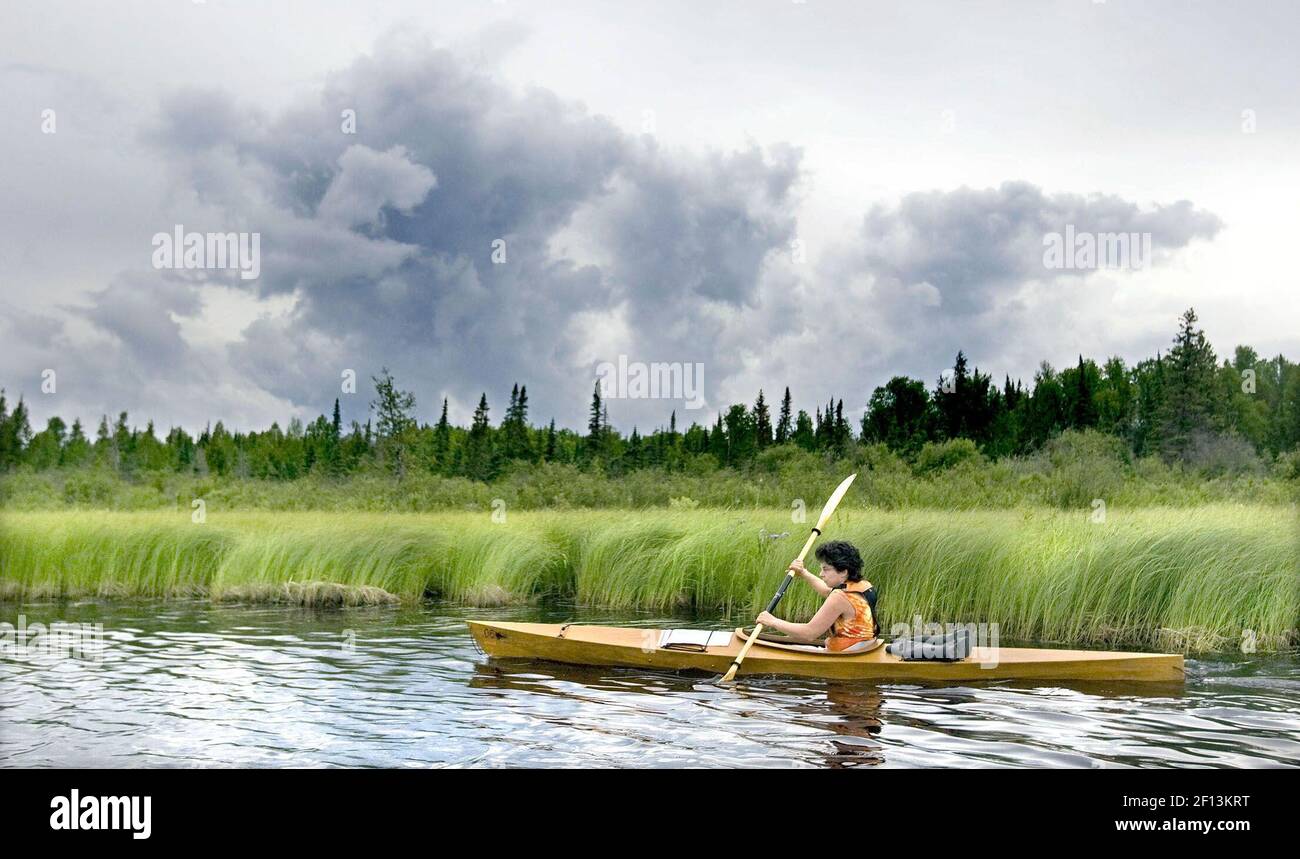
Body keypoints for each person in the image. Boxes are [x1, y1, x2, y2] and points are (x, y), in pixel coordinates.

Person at [756, 540, 879, 652]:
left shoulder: (840, 597)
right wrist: (804, 573)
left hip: (846, 655)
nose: (821, 574)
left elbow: (809, 633)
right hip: (866, 646)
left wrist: (772, 621)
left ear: (843, 571)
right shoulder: (863, 586)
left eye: (826, 569)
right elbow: (827, 591)